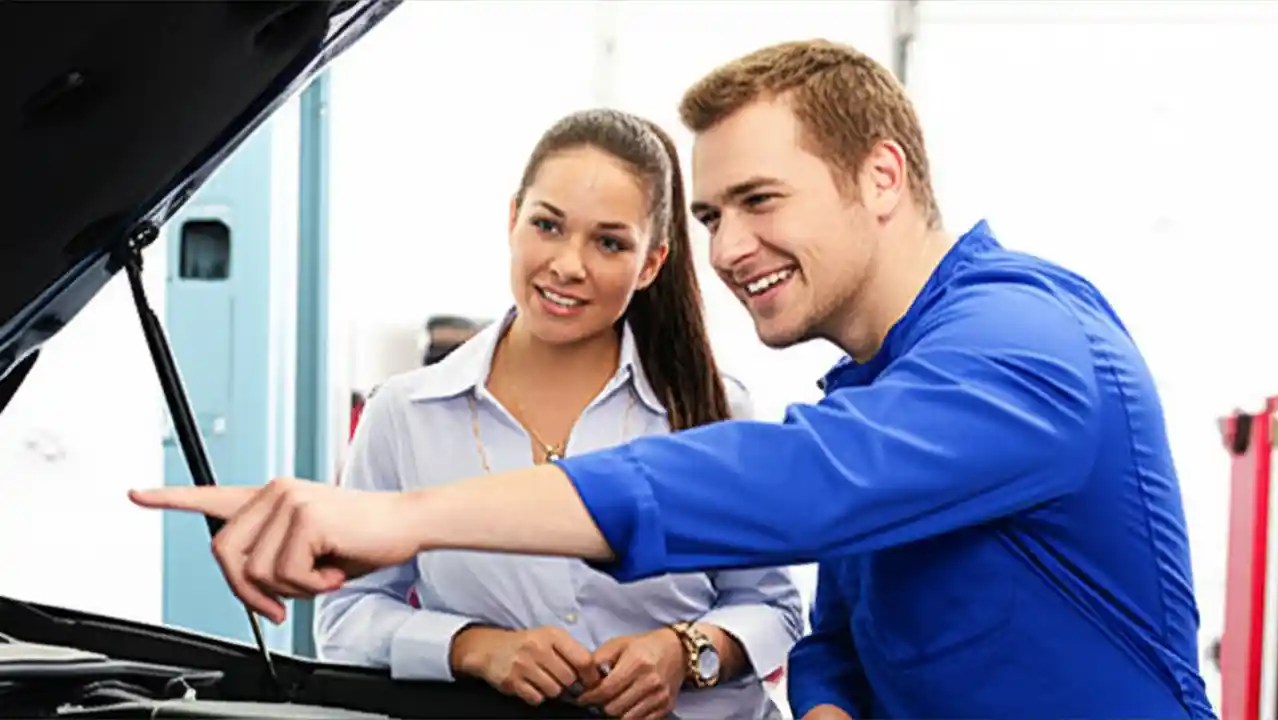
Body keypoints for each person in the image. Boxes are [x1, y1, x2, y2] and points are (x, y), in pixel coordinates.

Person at [130, 39, 1215, 720]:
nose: (730, 247)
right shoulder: (881, 382)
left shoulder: (1025, 348)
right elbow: (841, 630)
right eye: (709, 216)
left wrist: (399, 517)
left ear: (880, 175)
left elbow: (786, 485)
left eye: (759, 199)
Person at [313, 108, 802, 720]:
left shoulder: (715, 410)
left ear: (651, 263)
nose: (568, 265)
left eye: (609, 242)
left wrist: (685, 651)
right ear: (513, 218)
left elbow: (775, 608)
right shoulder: (405, 414)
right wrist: (471, 646)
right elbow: (346, 617)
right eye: (548, 225)